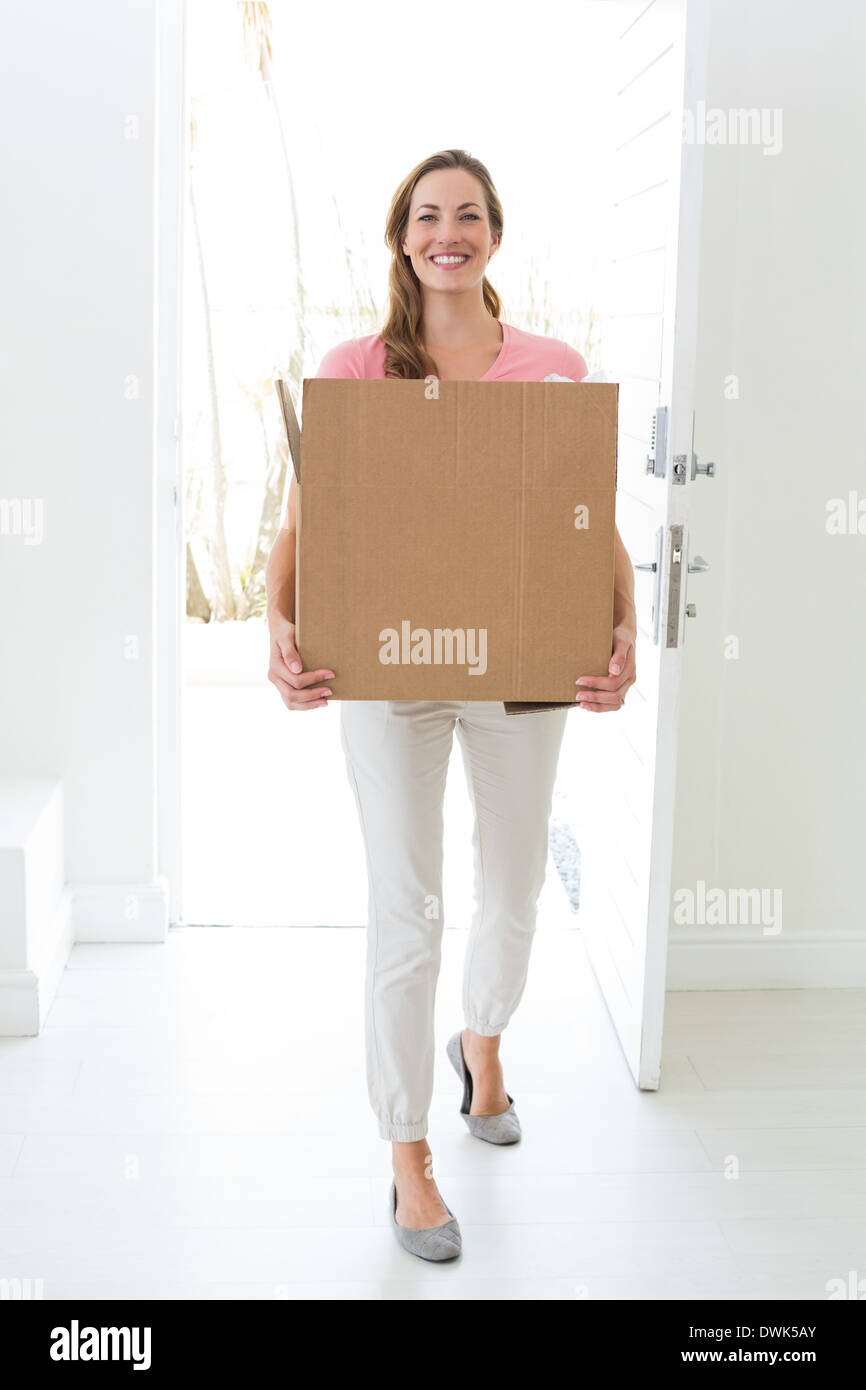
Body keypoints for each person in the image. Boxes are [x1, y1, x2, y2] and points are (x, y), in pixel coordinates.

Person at [265, 148, 637, 1262]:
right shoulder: (354, 366)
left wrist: (620, 628)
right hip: (387, 675)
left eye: (466, 214)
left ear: (492, 233)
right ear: (400, 234)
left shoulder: (552, 369)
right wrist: (276, 624)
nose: (446, 233)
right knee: (404, 906)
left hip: (518, 669)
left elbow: (592, 522)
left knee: (514, 889)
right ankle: (406, 1152)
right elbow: (307, 521)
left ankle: (480, 1042)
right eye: (426, 216)